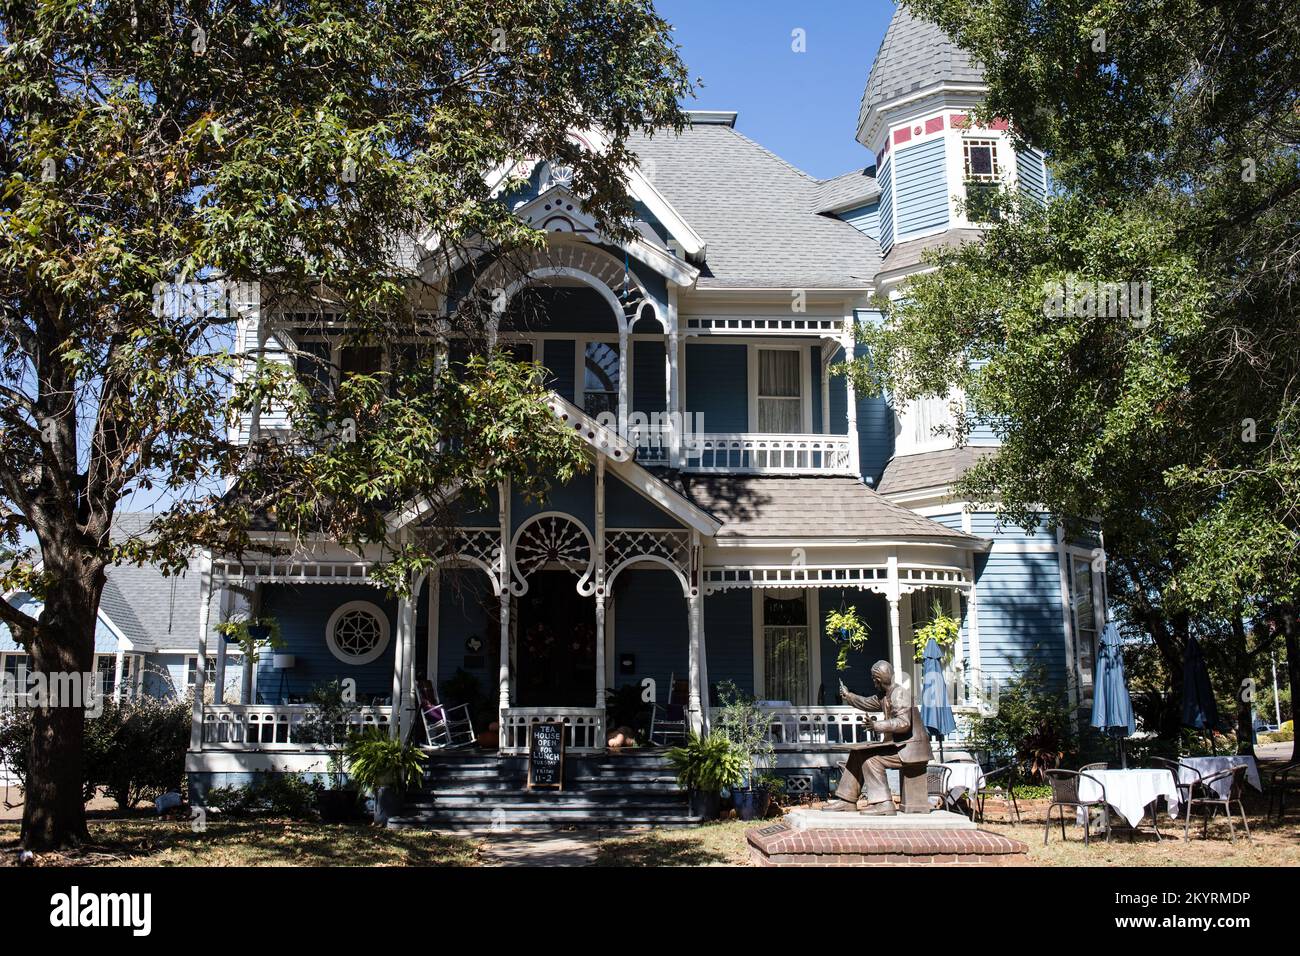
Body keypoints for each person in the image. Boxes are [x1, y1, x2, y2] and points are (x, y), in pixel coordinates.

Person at [825, 660, 933, 815]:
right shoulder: (885, 695)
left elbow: (904, 723)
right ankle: (847, 800)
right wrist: (848, 696)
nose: (873, 682)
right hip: (900, 746)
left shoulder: (899, 694)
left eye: (874, 679)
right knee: (858, 753)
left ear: (879, 679)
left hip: (911, 749)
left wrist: (877, 725)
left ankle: (883, 803)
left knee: (871, 759)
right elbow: (866, 702)